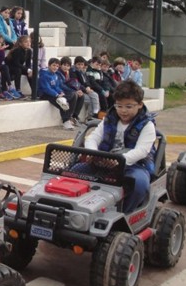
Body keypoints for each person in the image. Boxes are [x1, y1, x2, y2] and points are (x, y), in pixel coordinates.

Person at [84, 81, 156, 213]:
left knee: (139, 184)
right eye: (119, 106)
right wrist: (93, 153)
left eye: (129, 106)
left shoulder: (147, 125)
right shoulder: (109, 120)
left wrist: (119, 161)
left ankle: (124, 214)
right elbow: (93, 138)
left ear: (140, 104)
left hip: (134, 165)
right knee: (73, 172)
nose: (123, 111)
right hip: (105, 161)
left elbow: (141, 151)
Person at [38, 57, 78, 130]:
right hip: (45, 94)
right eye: (53, 65)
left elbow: (57, 86)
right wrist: (57, 94)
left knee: (73, 95)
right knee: (62, 102)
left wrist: (60, 92)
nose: (55, 68)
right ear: (49, 65)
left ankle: (68, 118)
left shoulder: (55, 75)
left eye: (57, 66)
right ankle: (66, 121)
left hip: (54, 93)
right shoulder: (44, 75)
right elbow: (46, 88)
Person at [59, 57, 86, 123]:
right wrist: (74, 90)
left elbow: (73, 83)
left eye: (68, 66)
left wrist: (79, 89)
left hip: (68, 90)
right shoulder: (59, 73)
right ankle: (68, 117)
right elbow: (61, 85)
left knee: (82, 96)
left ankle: (75, 116)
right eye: (64, 65)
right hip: (61, 90)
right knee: (74, 95)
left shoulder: (68, 73)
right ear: (60, 65)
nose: (66, 67)